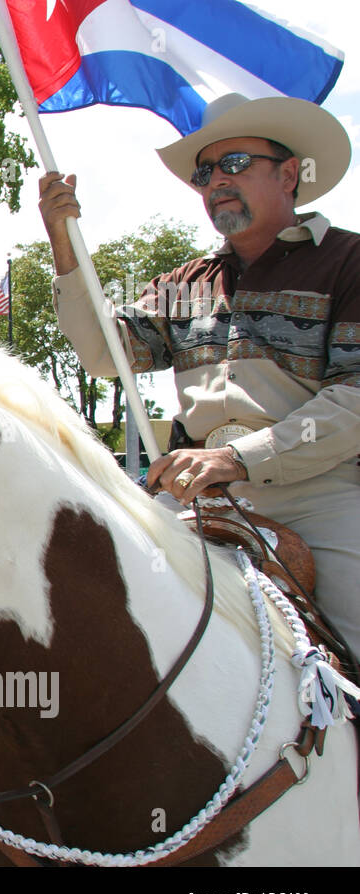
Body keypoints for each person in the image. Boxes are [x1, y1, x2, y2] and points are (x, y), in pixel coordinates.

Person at [38, 93, 360, 662]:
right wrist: (64, 247)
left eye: (234, 164)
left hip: (317, 495)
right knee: (85, 626)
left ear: (290, 175)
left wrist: (239, 459)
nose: (215, 182)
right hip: (194, 494)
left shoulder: (349, 263)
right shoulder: (186, 282)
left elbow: (354, 401)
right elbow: (106, 353)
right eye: (204, 172)